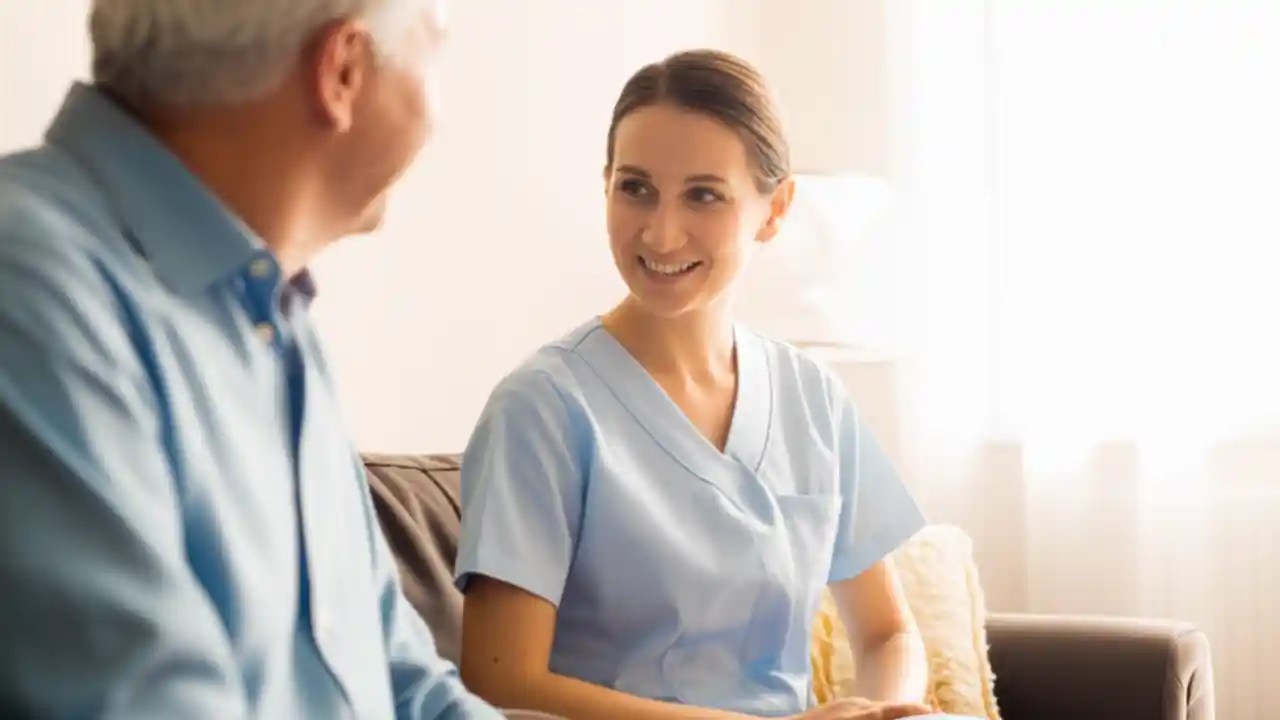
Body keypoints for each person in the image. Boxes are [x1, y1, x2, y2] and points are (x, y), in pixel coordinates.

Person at [0, 1, 509, 717]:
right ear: (343, 70)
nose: (439, 117)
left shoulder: (276, 321)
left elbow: (408, 685)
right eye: (433, 52)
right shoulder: (32, 294)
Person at [455, 50, 973, 720]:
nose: (661, 232)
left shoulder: (810, 399)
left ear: (775, 209)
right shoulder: (542, 409)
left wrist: (882, 710)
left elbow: (887, 633)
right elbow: (502, 682)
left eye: (703, 194)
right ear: (606, 184)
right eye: (635, 187)